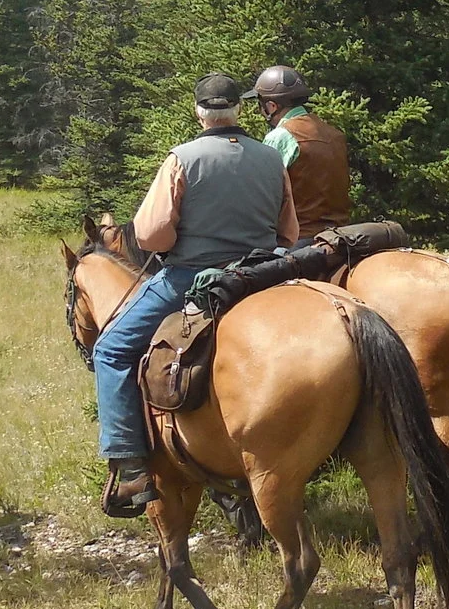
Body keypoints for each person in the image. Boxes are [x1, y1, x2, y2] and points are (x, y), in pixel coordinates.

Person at [93, 72, 300, 518]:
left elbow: (150, 236)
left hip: (190, 277)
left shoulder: (182, 158)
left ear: (199, 112)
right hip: (260, 276)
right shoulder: (270, 158)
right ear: (239, 110)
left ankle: (131, 465)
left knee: (110, 349)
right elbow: (290, 233)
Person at [251, 65, 351, 241]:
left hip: (300, 237)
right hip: (340, 234)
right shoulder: (335, 134)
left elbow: (263, 195)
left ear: (272, 106)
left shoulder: (280, 136)